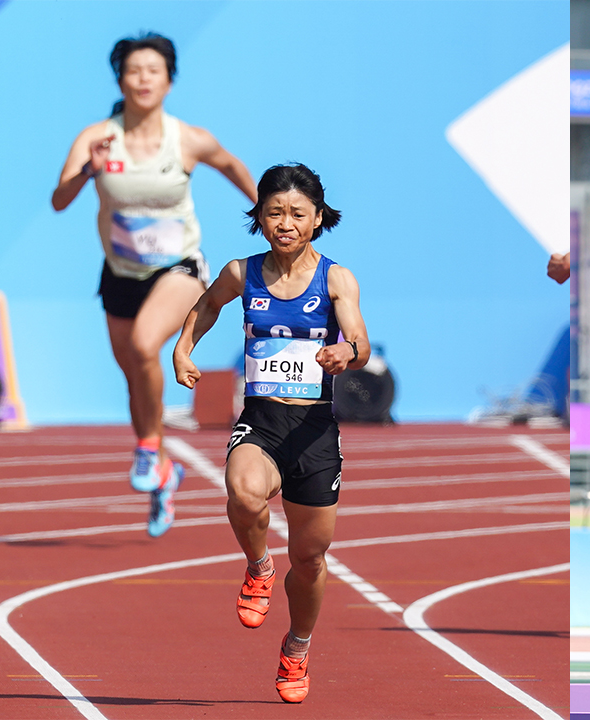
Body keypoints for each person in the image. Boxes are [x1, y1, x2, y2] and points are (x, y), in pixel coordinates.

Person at [172, 164, 370, 703]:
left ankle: (297, 646)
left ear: (318, 218)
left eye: (297, 214)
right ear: (258, 216)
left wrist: (345, 352)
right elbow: (207, 305)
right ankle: (259, 566)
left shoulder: (337, 279)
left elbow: (361, 342)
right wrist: (183, 348)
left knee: (309, 560)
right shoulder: (243, 273)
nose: (285, 223)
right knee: (242, 490)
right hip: (261, 420)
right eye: (274, 212)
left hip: (314, 431)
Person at [50, 32, 257, 537]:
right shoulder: (97, 138)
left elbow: (232, 165)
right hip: (120, 275)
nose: (143, 79)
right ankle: (163, 467)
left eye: (153, 70)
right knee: (136, 378)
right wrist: (88, 171)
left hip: (179, 267)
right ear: (120, 79)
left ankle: (146, 448)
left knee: (146, 344)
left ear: (168, 81)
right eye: (134, 70)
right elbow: (59, 199)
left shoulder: (187, 139)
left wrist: (270, 214)